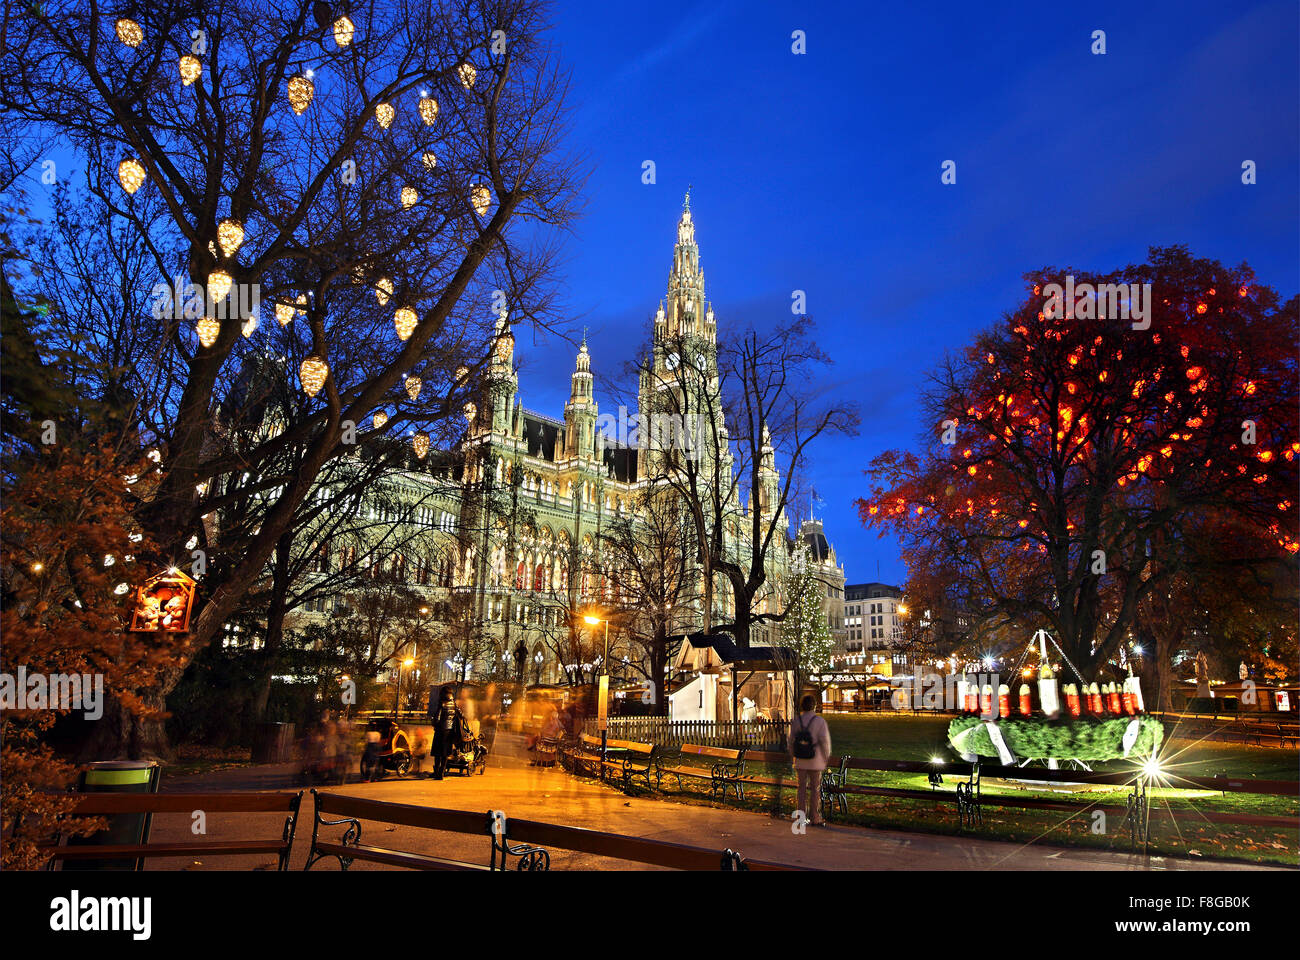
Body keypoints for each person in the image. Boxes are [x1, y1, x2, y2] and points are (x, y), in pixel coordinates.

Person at [788, 694, 831, 827]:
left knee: (801, 789)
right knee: (815, 790)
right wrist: (825, 757)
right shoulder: (819, 722)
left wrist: (793, 757)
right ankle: (815, 816)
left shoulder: (797, 721)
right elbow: (824, 742)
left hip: (800, 760)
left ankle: (800, 817)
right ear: (814, 706)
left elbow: (790, 741)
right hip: (815, 760)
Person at [431, 686, 458, 780]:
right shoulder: (454, 703)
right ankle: (442, 772)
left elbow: (437, 718)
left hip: (440, 730)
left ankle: (436, 772)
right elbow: (459, 715)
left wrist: (434, 724)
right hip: (449, 731)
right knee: (445, 753)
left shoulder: (442, 703)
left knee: (437, 753)